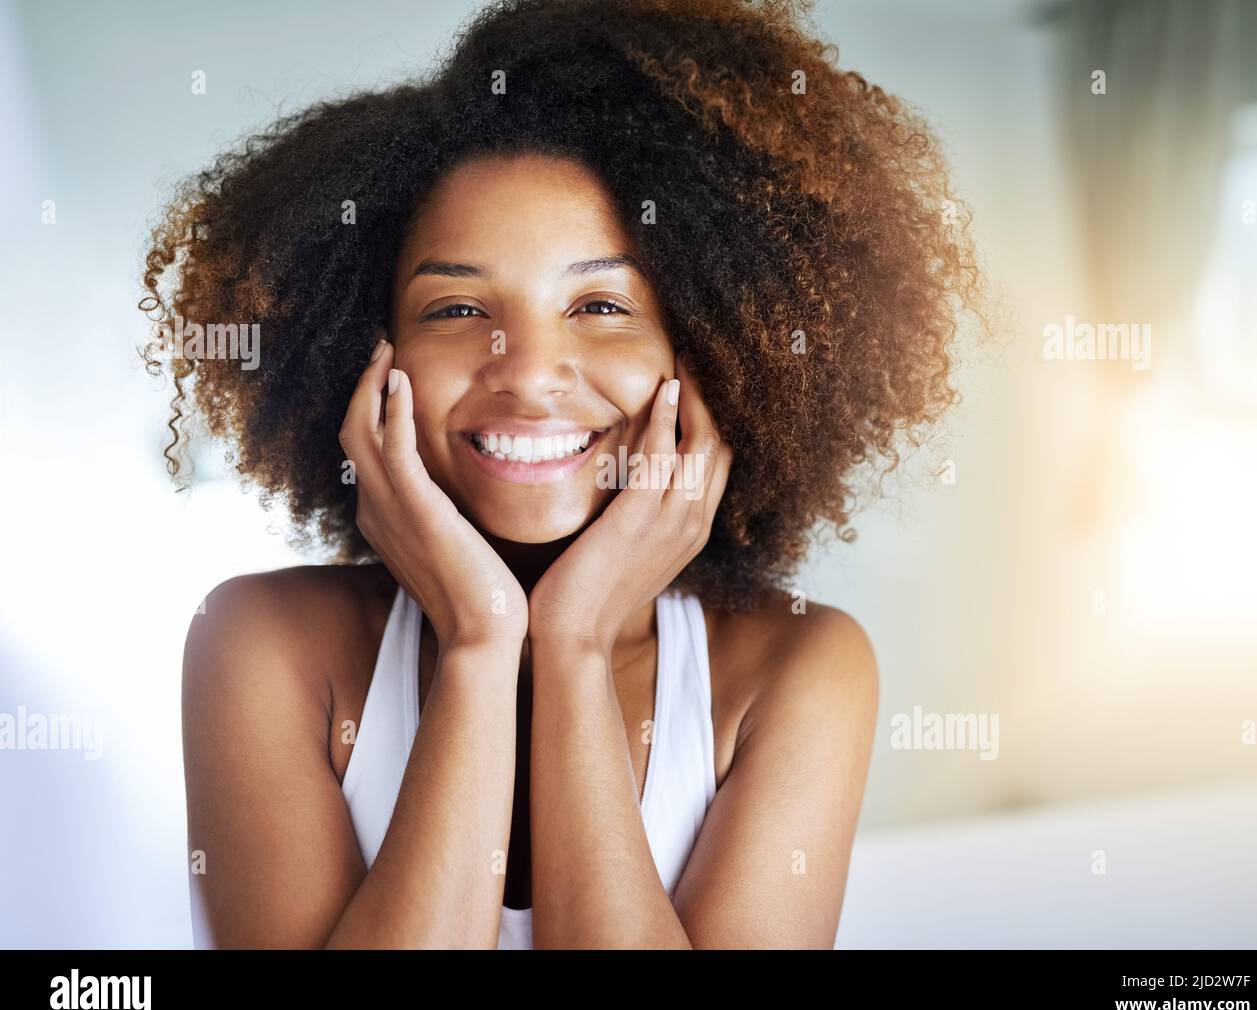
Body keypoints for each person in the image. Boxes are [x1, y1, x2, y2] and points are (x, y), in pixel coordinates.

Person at [145, 0, 979, 948]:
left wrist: (575, 641)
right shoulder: (262, 645)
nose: (529, 368)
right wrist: (479, 643)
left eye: (598, 303)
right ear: (365, 358)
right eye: (456, 306)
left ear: (707, 352)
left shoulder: (795, 668)